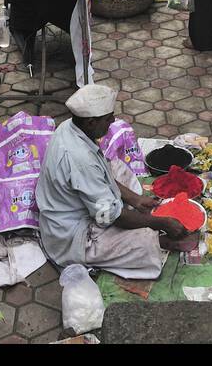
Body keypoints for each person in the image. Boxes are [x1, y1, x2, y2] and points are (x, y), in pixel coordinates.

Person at [35, 84, 185, 278]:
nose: (112, 121)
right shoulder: (81, 161)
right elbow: (113, 217)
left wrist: (135, 199)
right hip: (72, 237)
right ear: (90, 122)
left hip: (74, 203)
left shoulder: (69, 126)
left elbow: (102, 173)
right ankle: (97, 253)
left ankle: (133, 209)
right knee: (147, 241)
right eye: (108, 118)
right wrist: (163, 224)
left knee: (115, 167)